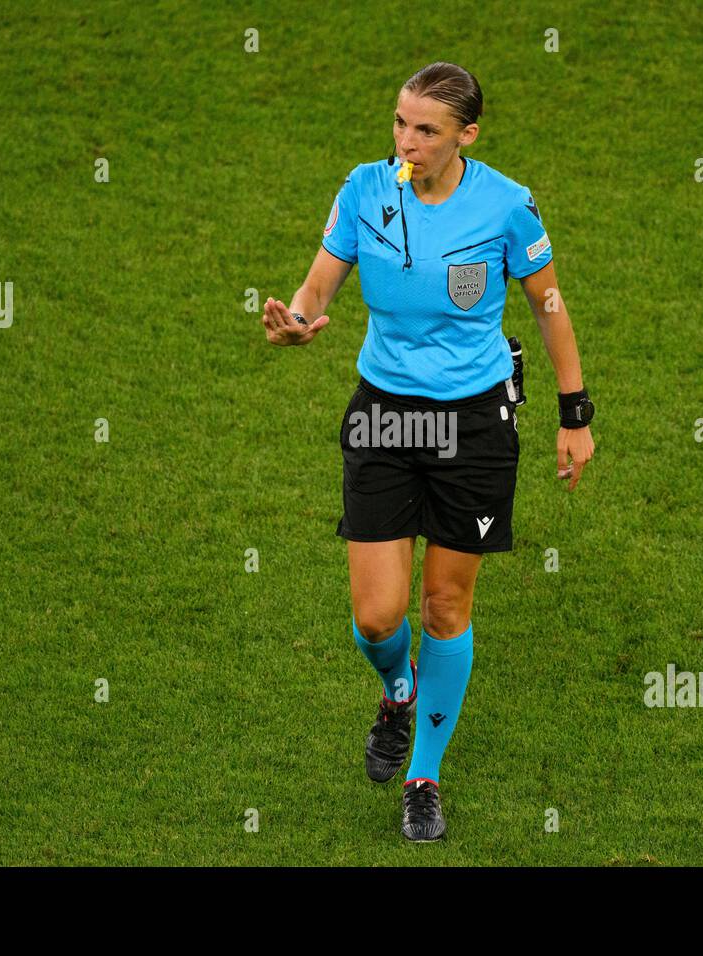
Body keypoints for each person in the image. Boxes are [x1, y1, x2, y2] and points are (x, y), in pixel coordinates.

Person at [260, 62, 595, 842]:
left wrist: (574, 412)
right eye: (400, 123)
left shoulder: (506, 207)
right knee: (377, 619)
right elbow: (318, 285)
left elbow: (547, 306)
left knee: (445, 604)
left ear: (465, 136)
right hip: (385, 416)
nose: (406, 142)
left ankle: (425, 774)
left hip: (473, 425)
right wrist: (300, 319)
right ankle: (397, 694)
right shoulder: (365, 190)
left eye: (427, 130)